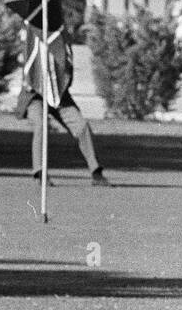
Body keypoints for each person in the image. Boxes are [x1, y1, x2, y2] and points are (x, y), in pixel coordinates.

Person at [15, 20, 112, 186]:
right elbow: (25, 57)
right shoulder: (30, 29)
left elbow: (67, 61)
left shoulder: (60, 32)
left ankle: (96, 172)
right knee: (40, 125)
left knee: (81, 126)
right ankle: (40, 173)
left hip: (58, 93)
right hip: (35, 94)